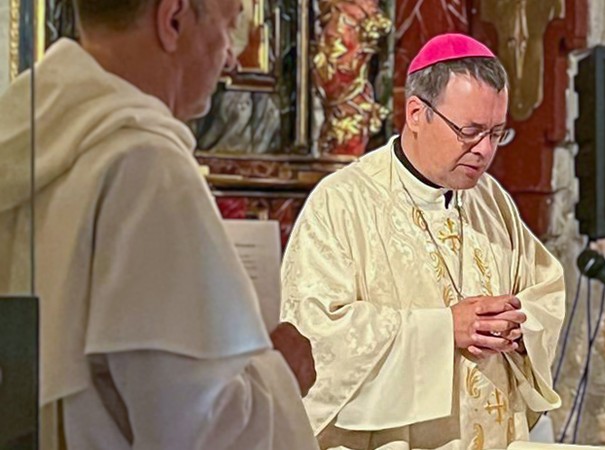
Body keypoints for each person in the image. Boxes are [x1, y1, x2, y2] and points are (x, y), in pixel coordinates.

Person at [0, 0, 319, 448]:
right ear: (173, 20)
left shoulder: (19, 133)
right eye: (229, 28)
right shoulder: (146, 166)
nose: (230, 58)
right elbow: (192, 427)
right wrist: (283, 373)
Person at [281, 33, 565, 449]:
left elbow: (544, 291)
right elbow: (315, 337)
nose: (485, 151)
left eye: (496, 133)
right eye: (469, 131)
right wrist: (443, 328)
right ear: (416, 113)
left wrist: (519, 329)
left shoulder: (491, 199)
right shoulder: (342, 202)